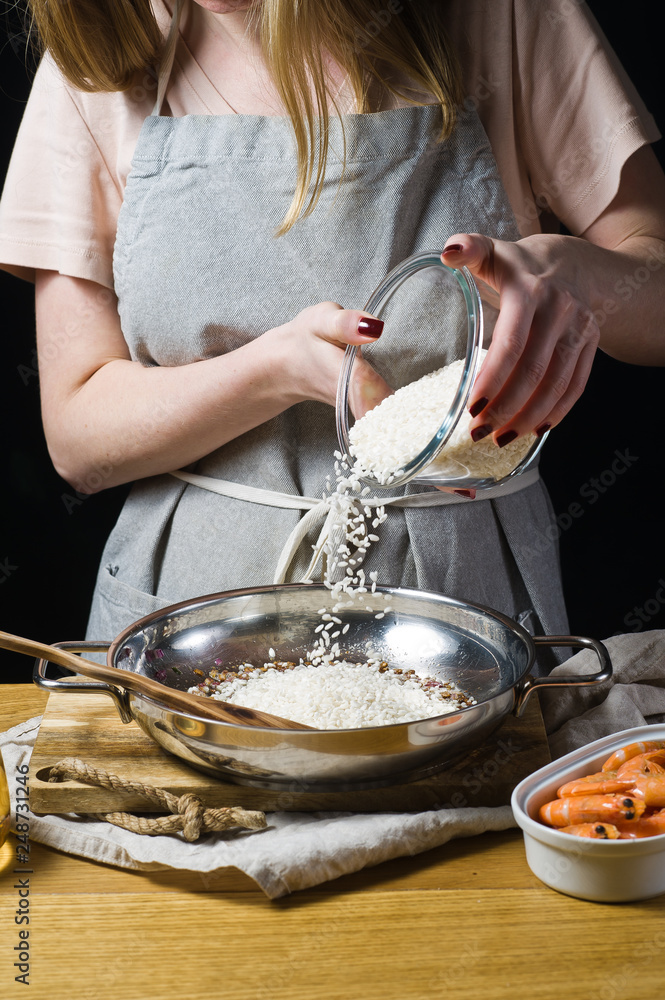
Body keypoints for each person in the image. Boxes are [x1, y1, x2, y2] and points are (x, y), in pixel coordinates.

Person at [1, 0, 664, 667]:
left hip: (468, 617)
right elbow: (78, 436)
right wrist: (273, 372)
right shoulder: (98, 57)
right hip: (188, 623)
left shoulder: (503, 15)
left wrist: (583, 277)